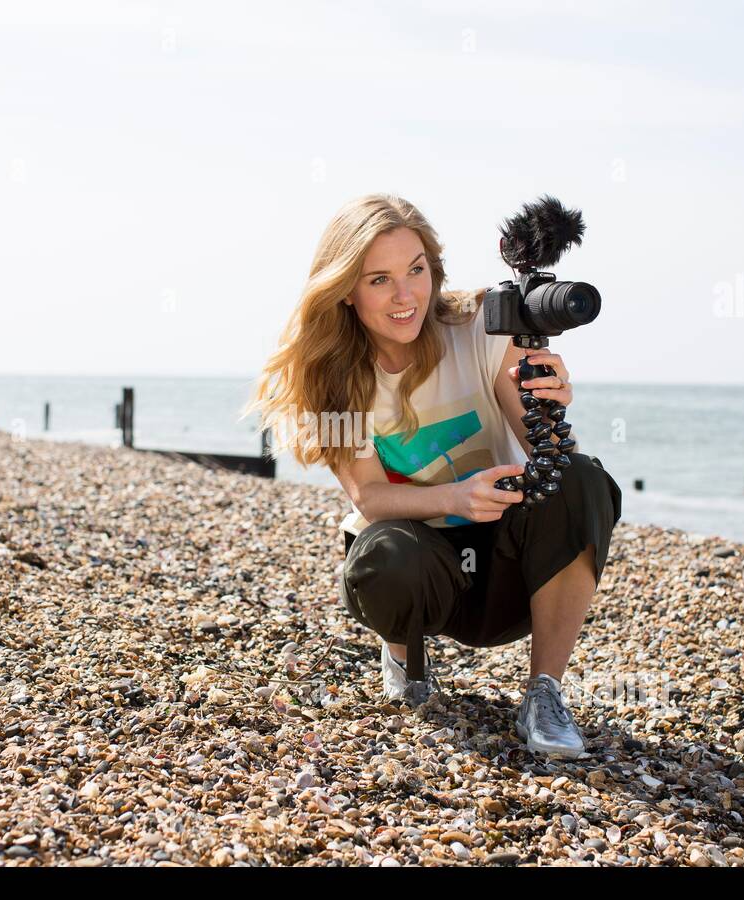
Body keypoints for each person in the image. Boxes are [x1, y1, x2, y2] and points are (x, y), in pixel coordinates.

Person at [244, 194, 622, 758]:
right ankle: (404, 656)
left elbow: (545, 454)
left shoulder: (478, 329)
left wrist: (549, 399)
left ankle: (544, 694)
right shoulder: (334, 379)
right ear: (346, 289)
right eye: (380, 279)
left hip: (505, 566)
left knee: (581, 478)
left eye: (416, 270)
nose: (406, 296)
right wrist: (455, 497)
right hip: (419, 565)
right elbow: (369, 496)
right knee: (382, 554)